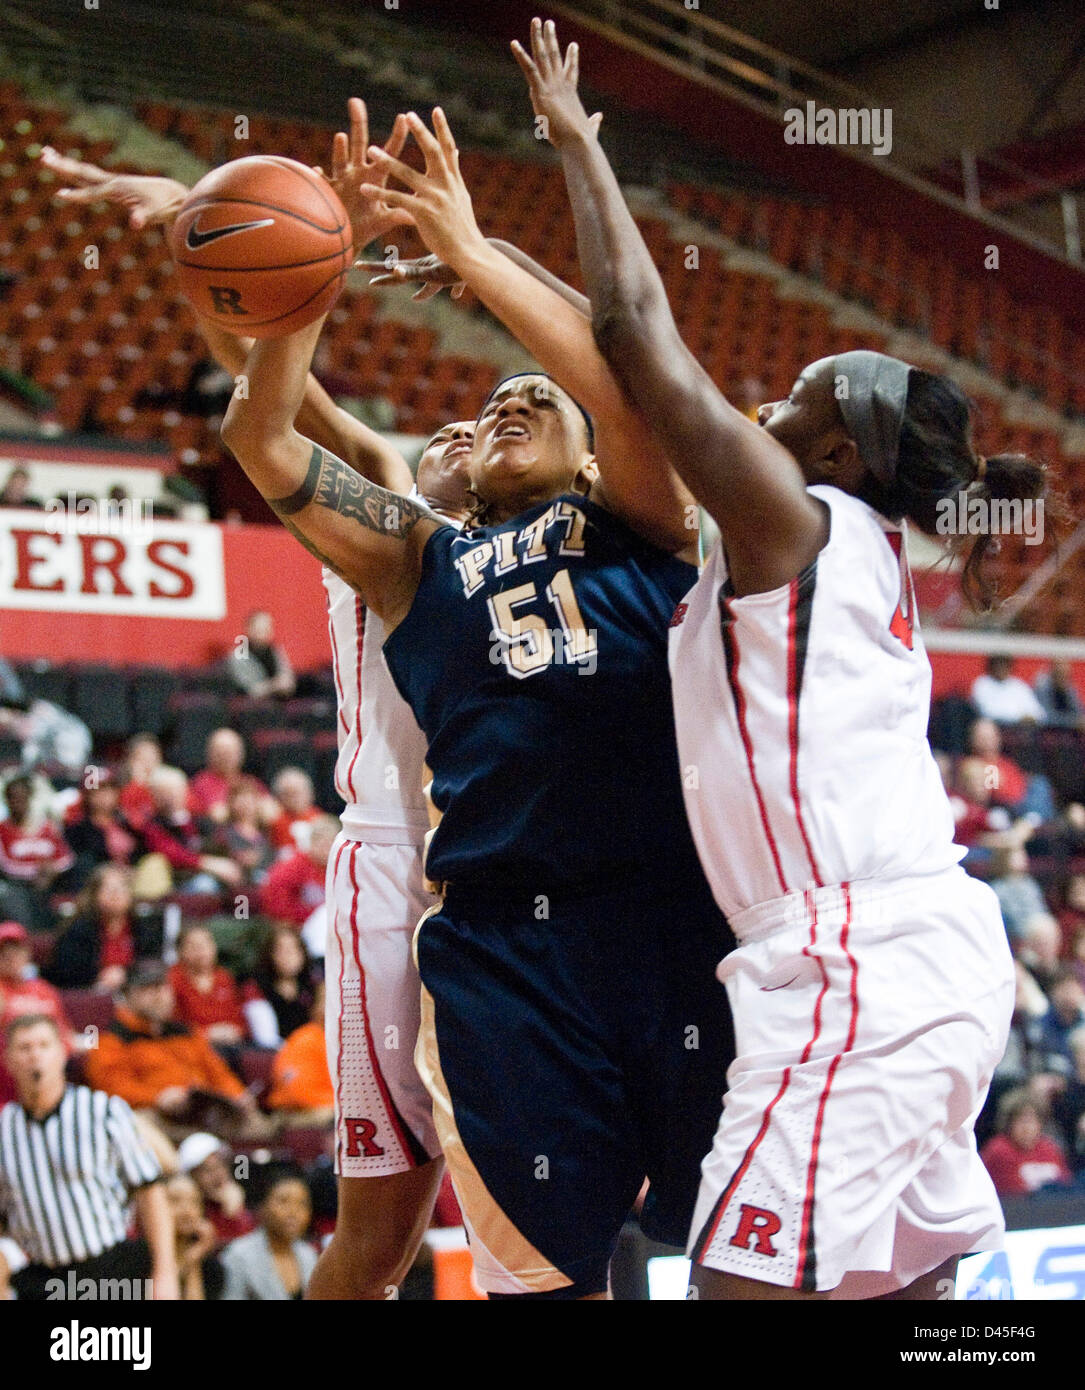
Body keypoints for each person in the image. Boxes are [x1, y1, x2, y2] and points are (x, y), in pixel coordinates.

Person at [513, 18, 1049, 1299]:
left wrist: (580, 146)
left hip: (853, 968)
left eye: (800, 395)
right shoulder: (829, 545)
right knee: (895, 1295)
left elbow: (640, 343)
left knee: (732, 1289)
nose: (769, 401)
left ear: (844, 451)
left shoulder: (796, 526)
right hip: (906, 957)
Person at [224, 95, 736, 1302]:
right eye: (492, 398)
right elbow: (264, 435)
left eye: (534, 400)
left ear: (589, 450)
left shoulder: (646, 519)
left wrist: (465, 249)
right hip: (502, 953)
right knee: (538, 1282)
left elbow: (624, 378)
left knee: (741, 1264)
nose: (511, 400)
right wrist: (313, 279)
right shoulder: (417, 554)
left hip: (667, 927)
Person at [0, 1014, 177, 1300]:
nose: (35, 1056)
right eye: (24, 1048)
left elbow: (150, 1191)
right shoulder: (4, 1129)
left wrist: (164, 1273)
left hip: (109, 1268)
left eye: (44, 1045)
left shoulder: (102, 1110)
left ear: (63, 1053)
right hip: (44, 1276)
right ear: (8, 1060)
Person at [83, 960, 264, 1142]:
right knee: (142, 1122)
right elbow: (109, 1088)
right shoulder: (112, 1039)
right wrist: (156, 1098)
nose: (160, 996)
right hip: (157, 1114)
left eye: (163, 988)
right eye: (149, 989)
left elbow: (217, 1073)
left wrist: (237, 1094)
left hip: (203, 1111)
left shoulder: (186, 1033)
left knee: (255, 1124)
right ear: (128, 995)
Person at [44, 863, 163, 993]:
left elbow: (151, 965)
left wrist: (126, 975)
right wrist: (99, 978)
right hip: (90, 994)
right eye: (109, 889)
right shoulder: (77, 931)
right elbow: (67, 975)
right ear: (94, 894)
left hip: (135, 993)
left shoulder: (144, 929)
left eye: (122, 888)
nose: (115, 895)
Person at [0, 921, 75, 1104]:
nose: (11, 957)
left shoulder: (45, 989)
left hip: (49, 1070)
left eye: (17, 950)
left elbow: (66, 1034)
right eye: (4, 953)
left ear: (27, 954)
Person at [138, 765, 241, 898]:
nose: (169, 797)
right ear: (153, 795)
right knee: (205, 885)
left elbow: (221, 844)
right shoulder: (152, 826)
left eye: (173, 790)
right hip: (178, 882)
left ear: (184, 791)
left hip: (217, 875)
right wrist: (209, 863)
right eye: (162, 792)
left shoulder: (200, 820)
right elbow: (172, 854)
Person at [220, 1168, 316, 1300]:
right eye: (283, 1201)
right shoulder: (238, 1255)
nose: (293, 1212)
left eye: (302, 1203)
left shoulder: (309, 1254)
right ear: (262, 1206)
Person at [0, 774, 73, 929]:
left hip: (52, 884)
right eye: (13, 798)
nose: (18, 803)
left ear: (29, 798)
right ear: (6, 800)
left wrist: (52, 870)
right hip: (18, 887)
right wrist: (38, 871)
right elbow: (7, 865)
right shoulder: (2, 830)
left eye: (22, 798)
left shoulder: (47, 828)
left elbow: (66, 858)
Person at [167, 923, 248, 1049]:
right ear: (180, 951)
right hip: (188, 1046)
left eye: (206, 943)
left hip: (231, 1046)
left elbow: (240, 1019)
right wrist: (205, 1033)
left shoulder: (224, 978)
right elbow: (170, 1025)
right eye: (193, 946)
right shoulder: (172, 979)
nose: (201, 950)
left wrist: (236, 1031)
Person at [980, 1089, 1072, 1196]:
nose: (1027, 1128)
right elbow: (1013, 1194)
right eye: (1021, 1121)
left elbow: (1066, 1185)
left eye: (1032, 1121)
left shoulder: (1049, 1149)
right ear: (1009, 1124)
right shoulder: (998, 1150)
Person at [266, 983, 334, 1127]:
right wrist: (348, 1104)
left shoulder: (353, 1041)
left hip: (332, 1106)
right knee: (336, 1116)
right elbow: (298, 1094)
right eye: (330, 999)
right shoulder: (304, 1039)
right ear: (316, 1007)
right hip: (295, 1114)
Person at [242, 924, 319, 1050]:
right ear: (270, 954)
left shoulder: (313, 986)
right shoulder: (257, 988)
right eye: (281, 950)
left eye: (293, 949)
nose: (288, 956)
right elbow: (266, 1039)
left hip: (311, 1049)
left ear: (303, 953)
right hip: (276, 1054)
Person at [176, 1132, 255, 1246]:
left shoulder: (232, 1201)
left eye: (221, 1166)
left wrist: (236, 1213)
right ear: (191, 1176)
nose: (218, 1175)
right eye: (207, 1170)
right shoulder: (184, 1212)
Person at [188, 729, 271, 826]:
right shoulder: (199, 784)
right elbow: (215, 816)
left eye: (230, 752)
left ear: (241, 754)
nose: (226, 757)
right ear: (209, 754)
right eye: (220, 753)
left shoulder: (249, 782)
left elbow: (271, 811)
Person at [164, 1171, 224, 1300]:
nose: (186, 1210)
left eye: (194, 1202)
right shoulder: (135, 1256)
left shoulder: (211, 1269)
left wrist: (193, 1261)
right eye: (175, 1200)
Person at [226, 610, 296, 700]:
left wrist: (285, 684)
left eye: (267, 629)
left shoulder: (275, 651)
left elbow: (288, 679)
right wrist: (275, 685)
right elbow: (250, 690)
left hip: (279, 703)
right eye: (259, 629)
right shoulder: (238, 656)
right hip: (250, 707)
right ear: (248, 629)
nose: (264, 633)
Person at [970, 655, 1046, 725]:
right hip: (994, 730)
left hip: (1019, 732)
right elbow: (988, 712)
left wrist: (1030, 718)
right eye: (998, 663)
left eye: (1004, 664)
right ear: (991, 665)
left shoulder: (1018, 685)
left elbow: (1039, 714)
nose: (1001, 667)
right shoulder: (982, 683)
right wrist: (1019, 718)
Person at [269, 767, 321, 854]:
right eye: (288, 794)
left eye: (297, 793)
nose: (294, 799)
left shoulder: (319, 819)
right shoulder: (275, 821)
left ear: (310, 793)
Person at [1033, 658, 1083, 729]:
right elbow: (1046, 717)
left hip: (1068, 734)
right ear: (1052, 674)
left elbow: (1079, 712)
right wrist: (1073, 721)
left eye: (1067, 677)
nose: (1064, 680)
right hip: (1046, 734)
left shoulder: (1069, 689)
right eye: (1060, 675)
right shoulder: (1042, 688)